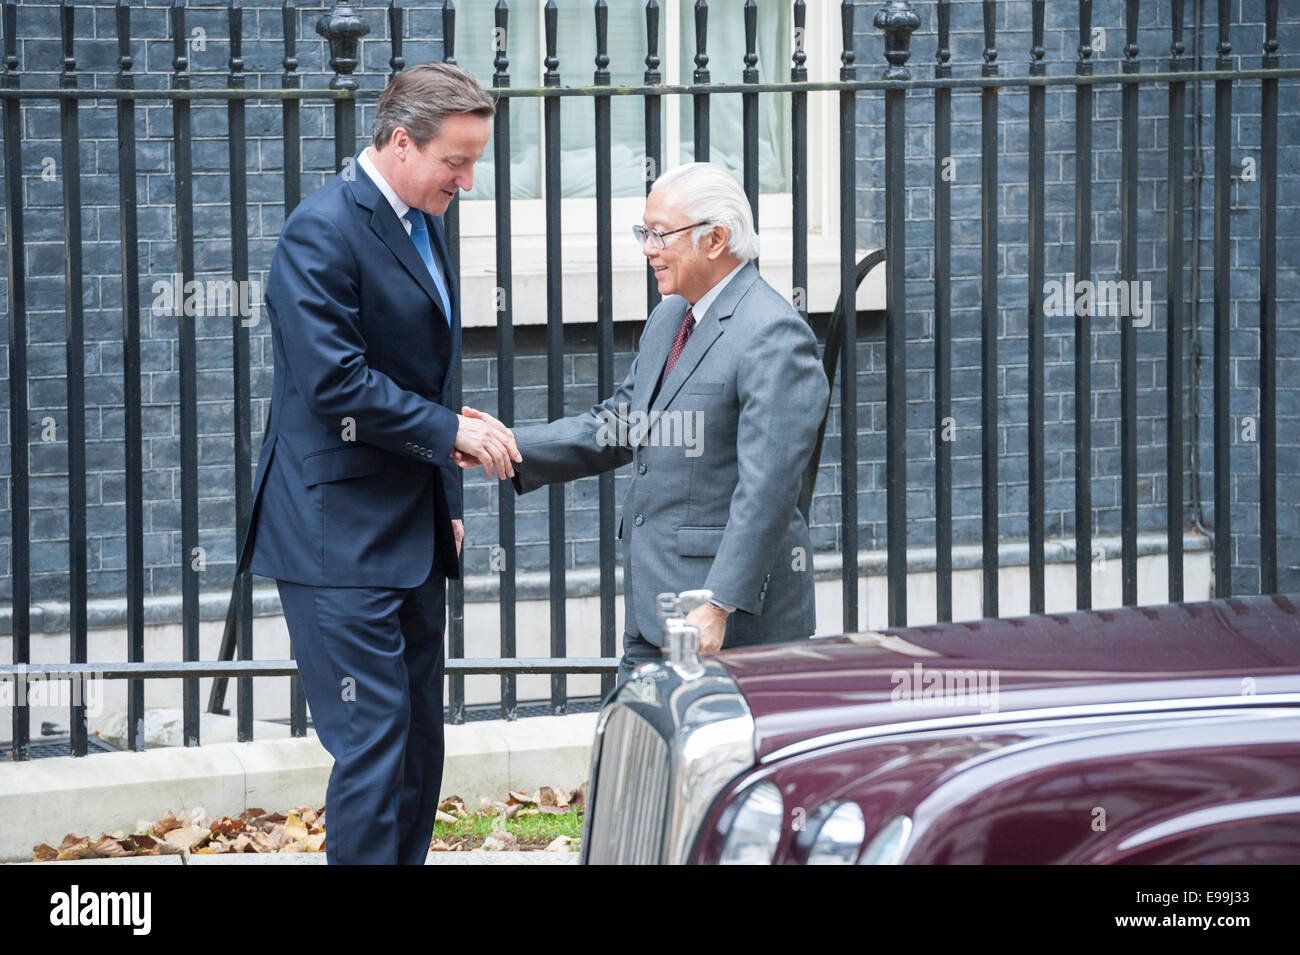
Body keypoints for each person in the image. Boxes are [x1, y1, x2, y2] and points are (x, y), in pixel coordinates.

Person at [235, 62, 520, 865]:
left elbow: (430, 372)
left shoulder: (420, 216)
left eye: (474, 160)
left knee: (418, 744)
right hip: (337, 538)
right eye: (455, 161)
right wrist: (449, 434)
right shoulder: (320, 230)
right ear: (401, 141)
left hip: (413, 527)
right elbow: (336, 383)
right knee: (374, 744)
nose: (466, 179)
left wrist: (449, 498)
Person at [457, 162, 829, 685]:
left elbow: (767, 489)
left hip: (726, 626)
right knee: (637, 755)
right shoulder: (672, 316)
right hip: (654, 608)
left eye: (659, 234)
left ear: (716, 239)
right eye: (644, 232)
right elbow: (623, 424)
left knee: (716, 764)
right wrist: (510, 445)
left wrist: (719, 604)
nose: (648, 248)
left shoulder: (772, 334)